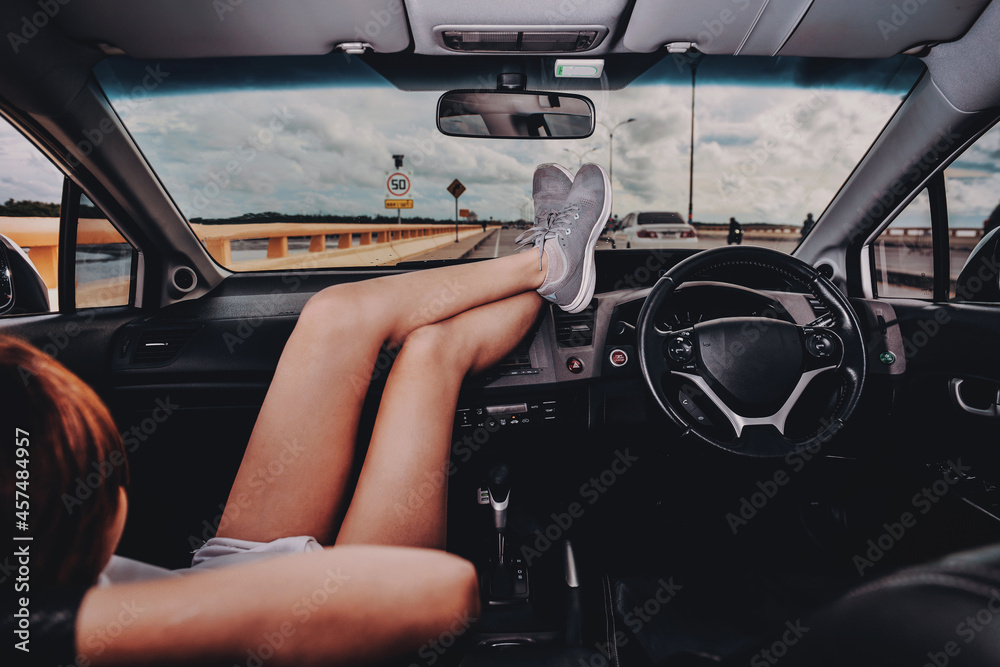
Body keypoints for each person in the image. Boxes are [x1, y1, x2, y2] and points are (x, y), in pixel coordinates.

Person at [1, 163, 611, 666]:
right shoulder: (42, 634)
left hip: (213, 580)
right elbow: (447, 593)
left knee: (332, 315)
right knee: (431, 352)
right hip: (311, 637)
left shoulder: (32, 603)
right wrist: (55, 626)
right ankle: (551, 266)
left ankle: (550, 265)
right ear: (104, 522)